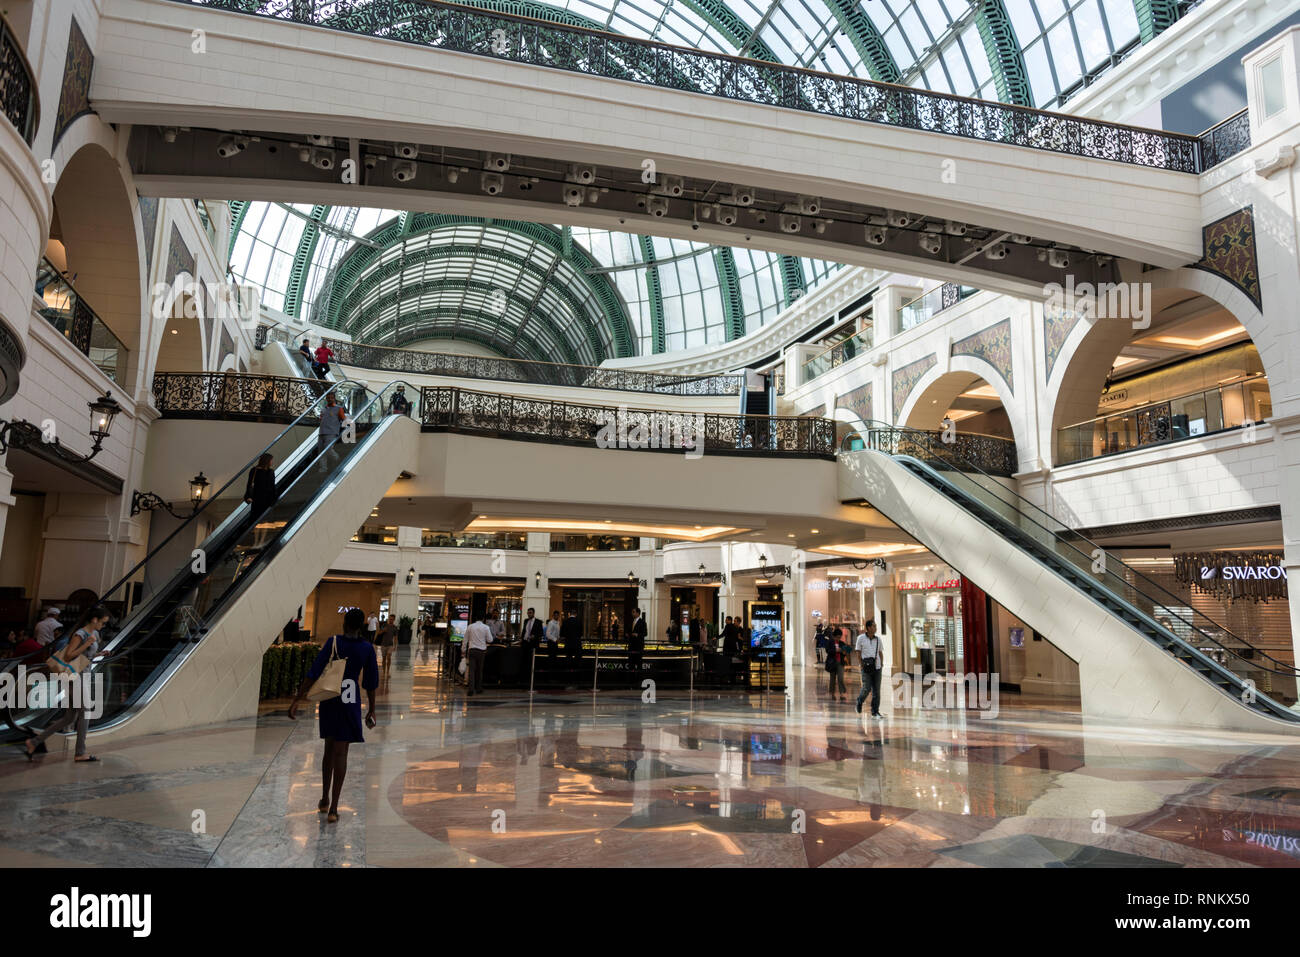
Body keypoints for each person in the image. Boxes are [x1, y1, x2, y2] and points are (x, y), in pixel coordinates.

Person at [288, 608, 378, 823]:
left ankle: (324, 798)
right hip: (350, 699)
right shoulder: (366, 648)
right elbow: (371, 682)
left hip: (330, 697)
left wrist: (298, 698)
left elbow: (314, 671)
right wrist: (372, 709)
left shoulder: (333, 642)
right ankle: (334, 808)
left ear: (345, 623)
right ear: (362, 626)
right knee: (341, 753)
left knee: (329, 749)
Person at [25, 605, 109, 762]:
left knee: (70, 718)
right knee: (85, 711)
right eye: (102, 622)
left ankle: (34, 742)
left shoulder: (94, 633)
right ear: (94, 619)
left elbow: (85, 656)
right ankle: (80, 752)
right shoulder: (81, 634)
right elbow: (69, 655)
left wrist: (99, 654)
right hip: (74, 678)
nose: (103, 626)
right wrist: (86, 643)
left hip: (82, 677)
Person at [855, 620, 884, 718]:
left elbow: (880, 653)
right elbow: (858, 653)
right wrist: (861, 665)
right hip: (866, 667)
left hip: (877, 668)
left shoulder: (878, 639)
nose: (875, 628)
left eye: (875, 626)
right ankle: (859, 701)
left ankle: (875, 711)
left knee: (877, 691)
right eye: (874, 626)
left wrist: (881, 664)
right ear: (868, 628)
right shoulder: (861, 638)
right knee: (866, 688)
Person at [463, 613, 493, 697]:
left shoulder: (470, 626)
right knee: (479, 670)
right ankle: (478, 688)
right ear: (483, 619)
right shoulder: (486, 627)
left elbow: (465, 639)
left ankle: (470, 690)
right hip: (481, 652)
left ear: (475, 618)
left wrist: (463, 649)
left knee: (471, 671)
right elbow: (490, 640)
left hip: (472, 650)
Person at [826, 626, 848, 702]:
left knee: (840, 678)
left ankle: (842, 694)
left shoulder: (842, 643)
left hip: (840, 663)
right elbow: (828, 651)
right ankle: (832, 694)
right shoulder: (830, 642)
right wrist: (836, 650)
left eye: (840, 637)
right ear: (834, 636)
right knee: (832, 679)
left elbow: (845, 653)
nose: (838, 639)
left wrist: (843, 652)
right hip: (832, 662)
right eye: (837, 637)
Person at [519, 607, 543, 672]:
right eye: (528, 613)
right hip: (525, 643)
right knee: (524, 660)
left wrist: (534, 636)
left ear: (533, 613)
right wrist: (521, 638)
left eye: (530, 613)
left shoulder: (538, 622)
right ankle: (524, 674)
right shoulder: (525, 621)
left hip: (532, 644)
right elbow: (524, 631)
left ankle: (530, 675)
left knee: (531, 660)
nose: (529, 614)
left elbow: (541, 633)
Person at [628, 608, 647, 682]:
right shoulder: (631, 621)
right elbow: (629, 631)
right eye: (632, 612)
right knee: (631, 664)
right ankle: (631, 681)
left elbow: (645, 633)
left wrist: (637, 634)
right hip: (631, 645)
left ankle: (639, 681)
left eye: (633, 612)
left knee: (639, 664)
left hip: (638, 646)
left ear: (638, 613)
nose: (632, 613)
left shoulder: (642, 622)